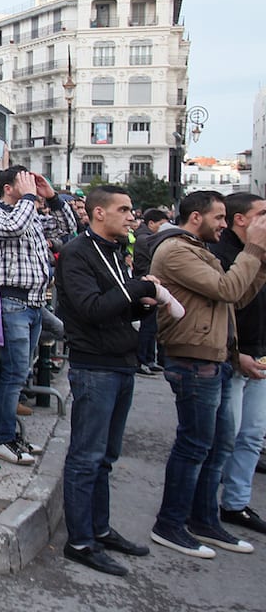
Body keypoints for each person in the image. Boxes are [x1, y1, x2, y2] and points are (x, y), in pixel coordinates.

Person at [149, 190, 266, 557]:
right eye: (219, 217)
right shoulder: (177, 250)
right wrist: (254, 251)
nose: (224, 224)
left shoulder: (199, 249)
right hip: (192, 359)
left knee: (218, 446)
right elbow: (226, 288)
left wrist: (259, 261)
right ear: (196, 217)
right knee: (195, 445)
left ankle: (204, 520)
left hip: (214, 358)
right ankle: (170, 524)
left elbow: (235, 298)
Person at [56, 185, 158, 576]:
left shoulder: (117, 252)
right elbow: (92, 308)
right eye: (124, 210)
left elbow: (120, 305)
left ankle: (99, 527)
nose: (131, 217)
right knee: (87, 456)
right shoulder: (78, 253)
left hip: (121, 361)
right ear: (99, 213)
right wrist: (139, 289)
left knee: (107, 457)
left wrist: (144, 305)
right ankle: (80, 540)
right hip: (94, 366)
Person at [0, 166, 74, 465]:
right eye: (25, 183)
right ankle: (3, 440)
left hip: (34, 304)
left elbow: (64, 227)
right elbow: (13, 228)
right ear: (9, 188)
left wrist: (53, 197)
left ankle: (12, 436)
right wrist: (29, 198)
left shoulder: (29, 212)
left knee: (20, 375)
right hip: (12, 303)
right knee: (12, 375)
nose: (32, 190)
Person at [203, 194, 266, 538]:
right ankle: (205, 509)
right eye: (262, 214)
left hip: (259, 352)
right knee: (223, 438)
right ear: (242, 220)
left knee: (252, 435)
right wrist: (235, 350)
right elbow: (228, 300)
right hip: (232, 358)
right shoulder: (220, 253)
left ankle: (236, 502)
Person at [132, 208, 171, 373]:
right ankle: (142, 360)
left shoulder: (149, 238)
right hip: (146, 284)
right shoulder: (144, 239)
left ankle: (149, 358)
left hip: (153, 285)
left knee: (152, 326)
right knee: (147, 327)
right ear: (151, 223)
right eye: (161, 224)